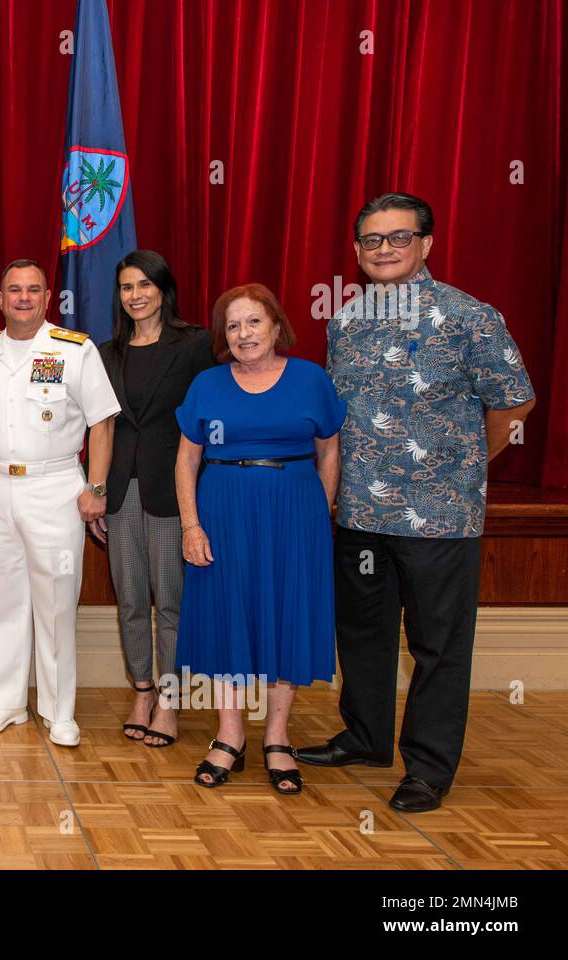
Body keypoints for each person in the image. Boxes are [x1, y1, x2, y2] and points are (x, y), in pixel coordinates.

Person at [297, 193, 536, 812]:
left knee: (437, 646)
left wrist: (466, 465)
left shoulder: (469, 316)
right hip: (358, 515)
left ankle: (427, 767)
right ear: (356, 251)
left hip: (441, 517)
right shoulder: (344, 322)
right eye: (372, 240)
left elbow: (515, 400)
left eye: (398, 238)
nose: (384, 250)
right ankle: (366, 737)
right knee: (364, 634)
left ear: (426, 243)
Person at [175, 284, 344, 793]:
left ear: (276, 326)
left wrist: (321, 511)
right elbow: (186, 458)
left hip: (294, 512)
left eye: (253, 322)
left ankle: (276, 737)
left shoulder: (312, 379)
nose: (243, 333)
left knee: (284, 617)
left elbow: (329, 451)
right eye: (232, 325)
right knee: (228, 619)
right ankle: (230, 735)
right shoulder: (207, 384)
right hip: (222, 512)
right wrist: (190, 524)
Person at [0, 259, 120, 747]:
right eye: (14, 289)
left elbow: (102, 421)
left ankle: (60, 712)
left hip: (55, 488)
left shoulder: (74, 350)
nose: (24, 298)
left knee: (56, 602)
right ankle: (5, 703)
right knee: (2, 600)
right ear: (0, 298)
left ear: (48, 297)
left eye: (33, 289)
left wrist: (95, 488)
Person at [93, 250, 213, 747]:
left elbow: (208, 420)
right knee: (131, 602)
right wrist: (98, 489)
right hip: (122, 491)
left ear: (163, 289)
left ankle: (170, 700)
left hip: (174, 492)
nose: (136, 295)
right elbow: (100, 427)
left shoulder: (195, 343)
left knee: (171, 603)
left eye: (144, 285)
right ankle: (141, 690)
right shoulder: (106, 352)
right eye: (126, 287)